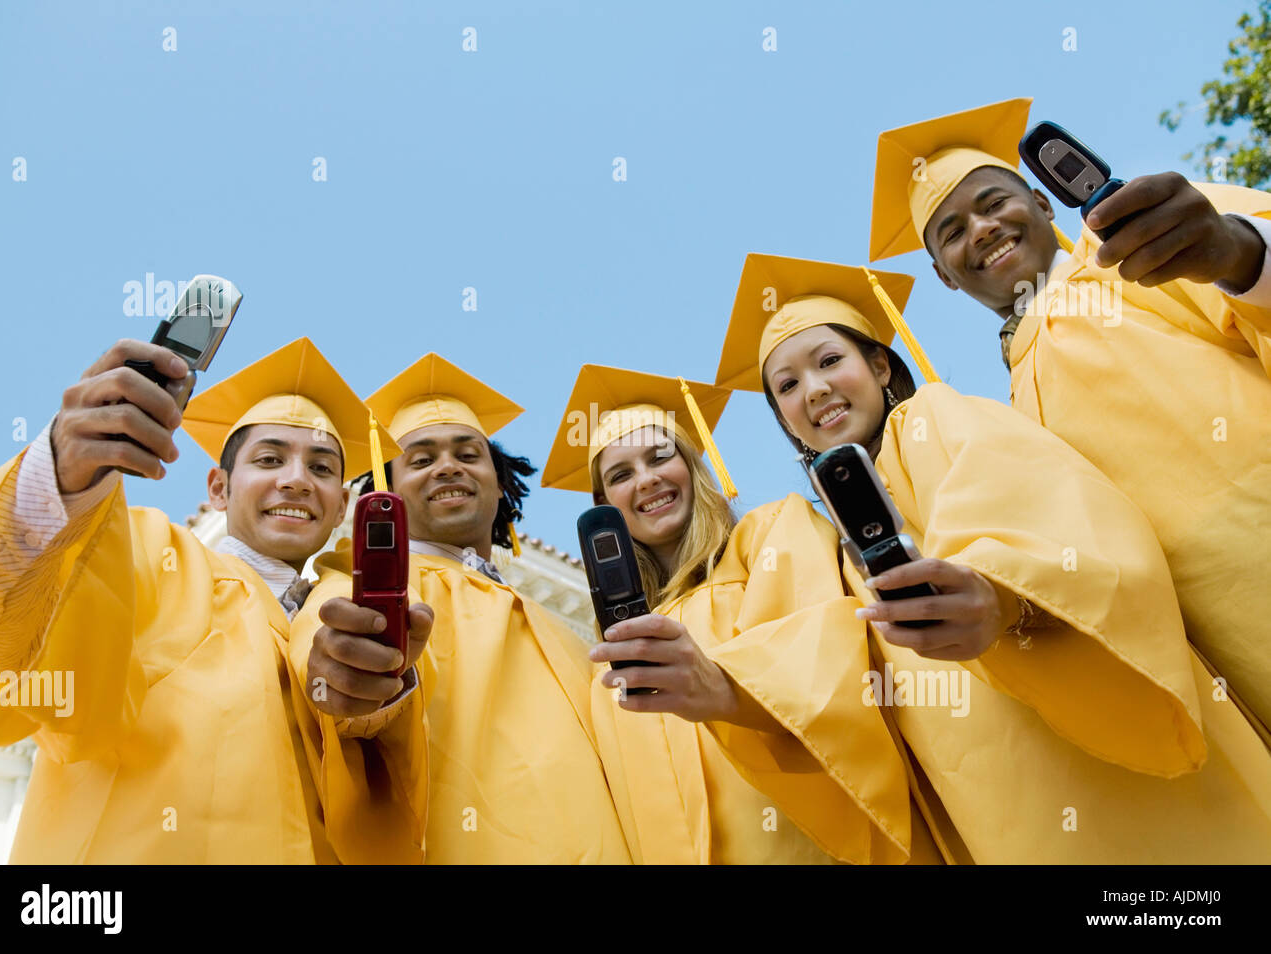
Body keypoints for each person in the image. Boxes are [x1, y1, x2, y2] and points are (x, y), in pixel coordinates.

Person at [712, 252, 1271, 862]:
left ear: (878, 364)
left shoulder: (936, 418)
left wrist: (1002, 597)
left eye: (828, 361)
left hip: (1091, 749)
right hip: (992, 799)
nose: (814, 390)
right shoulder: (826, 544)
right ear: (786, 423)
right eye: (787, 386)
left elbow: (1057, 512)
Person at [868, 98, 1271, 740]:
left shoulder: (1143, 246)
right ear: (943, 277)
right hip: (1226, 642)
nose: (979, 229)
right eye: (950, 232)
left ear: (1044, 203)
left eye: (993, 202)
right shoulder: (1006, 419)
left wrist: (1238, 253)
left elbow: (1249, 271)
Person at [0, 336, 411, 863]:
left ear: (342, 506)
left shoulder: (346, 623)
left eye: (320, 468)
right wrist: (56, 483)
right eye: (270, 459)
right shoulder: (145, 553)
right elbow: (14, 662)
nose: (295, 480)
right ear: (219, 489)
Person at [540, 365, 924, 864]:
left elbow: (827, 656)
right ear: (604, 506)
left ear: (694, 466)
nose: (647, 479)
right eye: (620, 475)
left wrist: (722, 687)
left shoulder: (770, 535)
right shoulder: (612, 662)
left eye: (661, 458)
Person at [284, 353, 645, 863]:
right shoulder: (357, 583)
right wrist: (354, 683)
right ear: (388, 489)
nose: (448, 466)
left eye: (468, 454)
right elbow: (325, 659)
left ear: (501, 483)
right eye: (422, 458)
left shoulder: (564, 631)